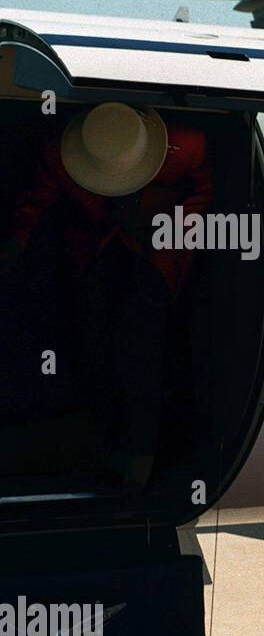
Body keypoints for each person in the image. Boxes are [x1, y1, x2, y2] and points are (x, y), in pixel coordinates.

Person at [4, 102, 213, 488]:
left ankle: (141, 461)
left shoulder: (186, 145)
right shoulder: (60, 152)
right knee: (93, 348)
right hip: (95, 255)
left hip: (154, 256)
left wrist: (169, 247)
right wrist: (14, 247)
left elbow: (203, 192)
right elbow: (33, 203)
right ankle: (106, 444)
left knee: (143, 355)